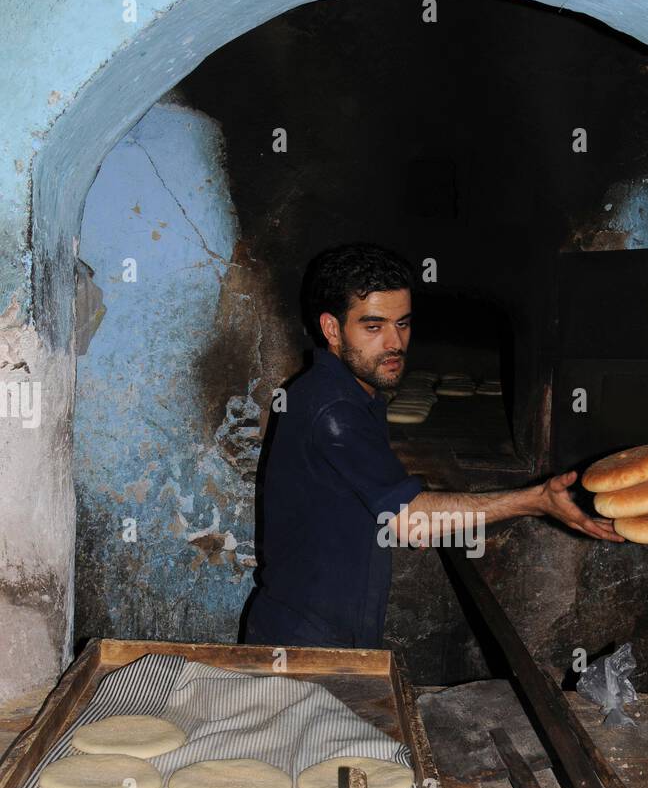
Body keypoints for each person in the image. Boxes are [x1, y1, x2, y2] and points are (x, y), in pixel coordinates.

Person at [243, 242, 622, 649]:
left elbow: (358, 489)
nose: (395, 343)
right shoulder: (333, 409)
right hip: (305, 645)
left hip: (328, 631)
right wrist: (536, 500)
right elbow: (409, 521)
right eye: (373, 327)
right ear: (332, 329)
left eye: (402, 324)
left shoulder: (352, 390)